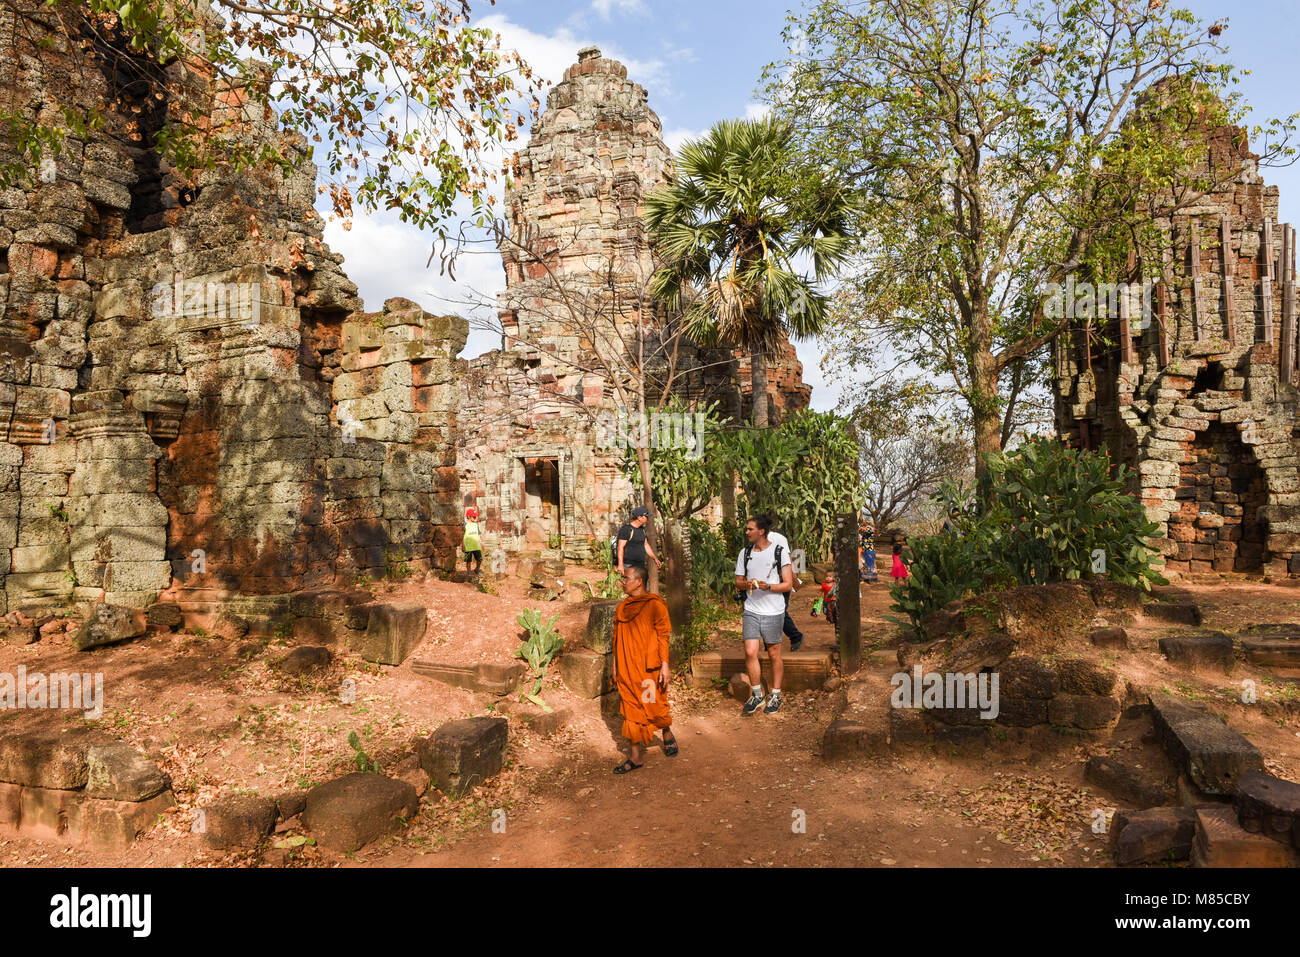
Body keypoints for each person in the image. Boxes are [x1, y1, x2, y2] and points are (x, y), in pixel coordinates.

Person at [611, 564, 676, 773]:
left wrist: (665, 665)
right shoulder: (622, 608)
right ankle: (636, 757)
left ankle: (665, 730)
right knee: (631, 712)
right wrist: (614, 667)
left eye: (626, 579)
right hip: (626, 670)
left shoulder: (655, 605)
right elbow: (616, 641)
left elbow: (663, 636)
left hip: (648, 670)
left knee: (653, 705)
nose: (623, 582)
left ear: (639, 581)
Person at [734, 514, 793, 716]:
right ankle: (757, 694)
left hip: (773, 611)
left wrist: (770, 586)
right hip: (751, 609)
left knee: (774, 653)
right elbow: (738, 581)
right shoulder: (745, 553)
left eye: (750, 529)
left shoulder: (780, 552)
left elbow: (788, 584)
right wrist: (747, 584)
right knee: (750, 651)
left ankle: (776, 694)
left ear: (761, 531)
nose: (747, 532)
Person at [766, 526, 805, 652]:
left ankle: (795, 636)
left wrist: (793, 579)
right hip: (765, 581)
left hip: (781, 579)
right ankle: (771, 643)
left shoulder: (778, 538)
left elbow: (787, 560)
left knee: (779, 611)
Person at [616, 505, 662, 577]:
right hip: (628, 565)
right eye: (646, 516)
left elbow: (645, 545)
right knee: (631, 587)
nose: (648, 518)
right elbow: (620, 547)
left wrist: (655, 558)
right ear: (639, 517)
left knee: (643, 586)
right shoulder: (626, 529)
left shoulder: (642, 530)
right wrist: (620, 565)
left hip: (641, 565)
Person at [462, 507, 483, 576]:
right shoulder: (465, 525)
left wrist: (481, 542)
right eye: (473, 516)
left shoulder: (475, 525)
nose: (475, 517)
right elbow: (462, 535)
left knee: (479, 559)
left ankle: (477, 569)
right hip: (468, 546)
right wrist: (463, 545)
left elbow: (479, 534)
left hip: (476, 545)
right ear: (468, 516)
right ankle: (468, 572)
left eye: (475, 516)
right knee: (468, 560)